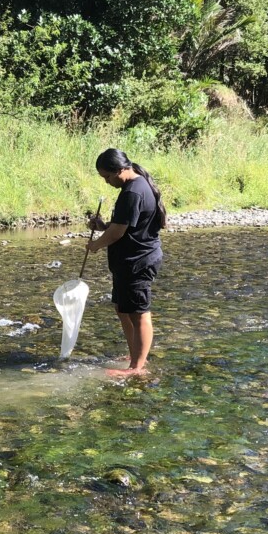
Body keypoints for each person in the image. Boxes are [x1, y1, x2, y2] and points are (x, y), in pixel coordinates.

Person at [85, 148, 165, 377]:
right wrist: (102, 226)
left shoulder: (133, 192)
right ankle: (135, 354)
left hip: (138, 261)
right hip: (128, 261)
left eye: (108, 177)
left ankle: (137, 367)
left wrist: (96, 245)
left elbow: (118, 232)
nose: (107, 182)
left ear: (121, 170)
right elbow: (125, 224)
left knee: (139, 313)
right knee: (123, 309)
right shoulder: (134, 187)